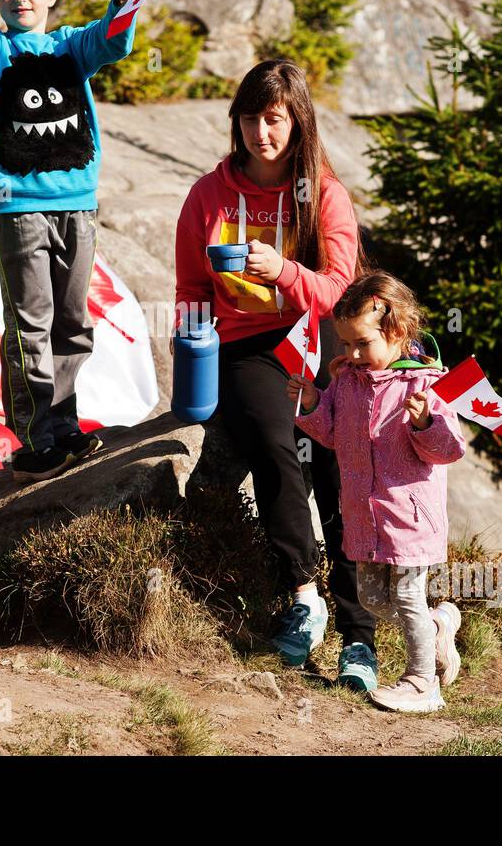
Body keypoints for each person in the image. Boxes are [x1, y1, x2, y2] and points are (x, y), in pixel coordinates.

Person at [173, 59, 381, 689]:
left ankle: (359, 635)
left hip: (317, 340)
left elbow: (341, 295)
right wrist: (191, 343)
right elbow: (189, 284)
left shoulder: (322, 194)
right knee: (272, 441)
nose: (260, 132)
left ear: (297, 123)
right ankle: (302, 594)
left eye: (274, 119)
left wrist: (282, 272)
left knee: (339, 467)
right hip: (242, 347)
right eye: (249, 117)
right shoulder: (210, 194)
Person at [0, 0, 141, 482]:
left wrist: (123, 3)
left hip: (76, 203)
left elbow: (113, 43)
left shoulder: (69, 48)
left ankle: (63, 425)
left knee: (73, 322)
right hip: (21, 209)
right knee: (30, 322)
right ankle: (33, 439)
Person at [290, 270, 466, 711]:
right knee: (371, 597)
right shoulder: (347, 381)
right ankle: (440, 625)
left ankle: (423, 682)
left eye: (362, 344)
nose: (351, 353)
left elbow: (449, 450)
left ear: (399, 332)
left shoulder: (425, 384)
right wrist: (312, 403)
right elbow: (331, 435)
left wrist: (425, 422)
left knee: (406, 596)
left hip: (409, 516)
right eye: (345, 343)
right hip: (363, 516)